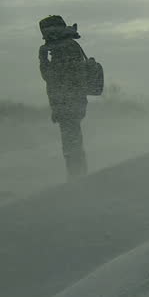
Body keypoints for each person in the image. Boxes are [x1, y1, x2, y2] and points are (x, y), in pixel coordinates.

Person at [38, 15, 103, 180]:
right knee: (73, 141)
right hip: (72, 101)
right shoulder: (70, 45)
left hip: (67, 103)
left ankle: (76, 177)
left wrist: (43, 58)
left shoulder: (61, 48)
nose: (43, 37)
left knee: (71, 144)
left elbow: (52, 76)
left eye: (44, 32)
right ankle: (78, 175)